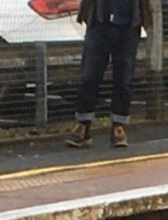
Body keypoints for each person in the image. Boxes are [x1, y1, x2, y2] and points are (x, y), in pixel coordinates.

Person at [66, 0, 154, 148]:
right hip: (99, 23)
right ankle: (83, 124)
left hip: (128, 26)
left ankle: (119, 126)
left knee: (124, 79)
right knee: (90, 75)